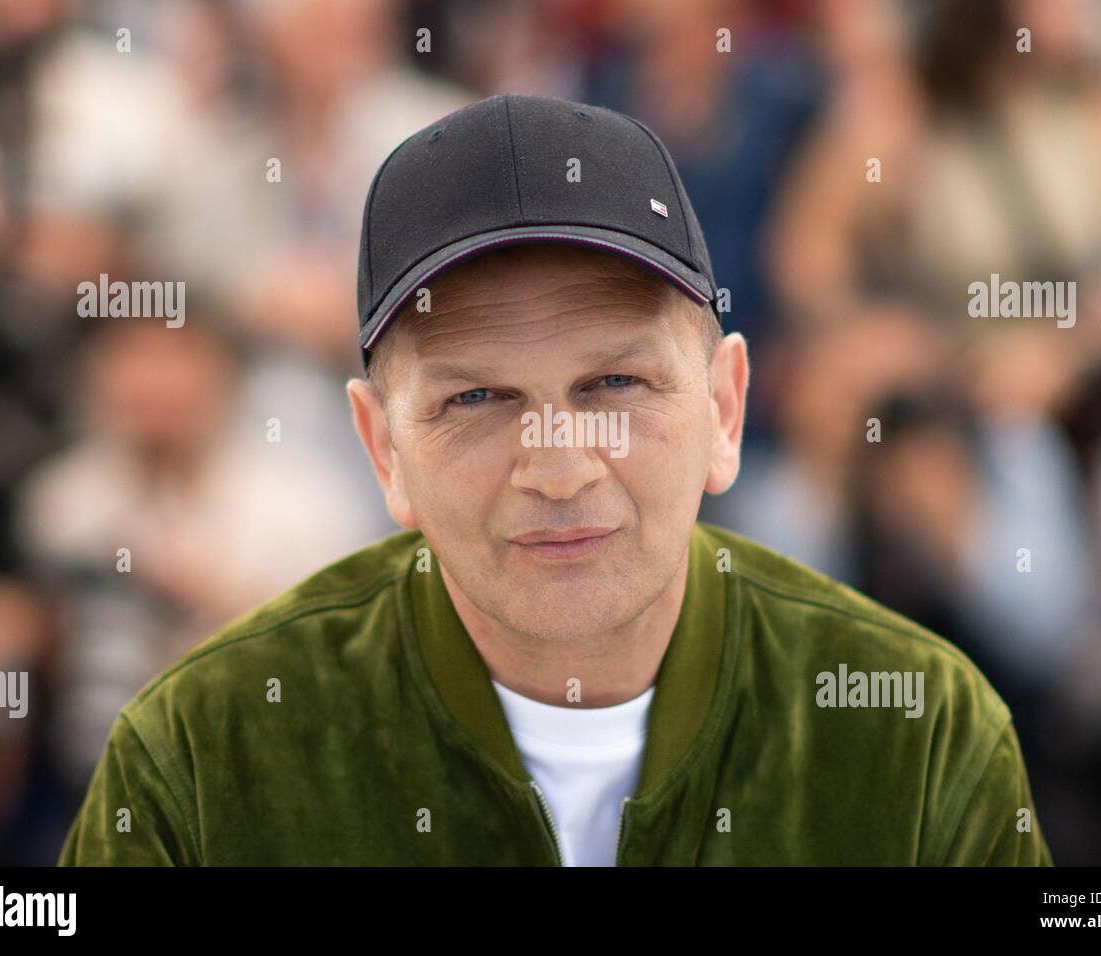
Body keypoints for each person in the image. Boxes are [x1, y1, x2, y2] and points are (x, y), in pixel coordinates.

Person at [59, 93, 1051, 866]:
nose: (559, 463)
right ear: (382, 450)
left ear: (725, 407)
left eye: (615, 382)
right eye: (477, 398)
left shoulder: (919, 729)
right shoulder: (199, 748)